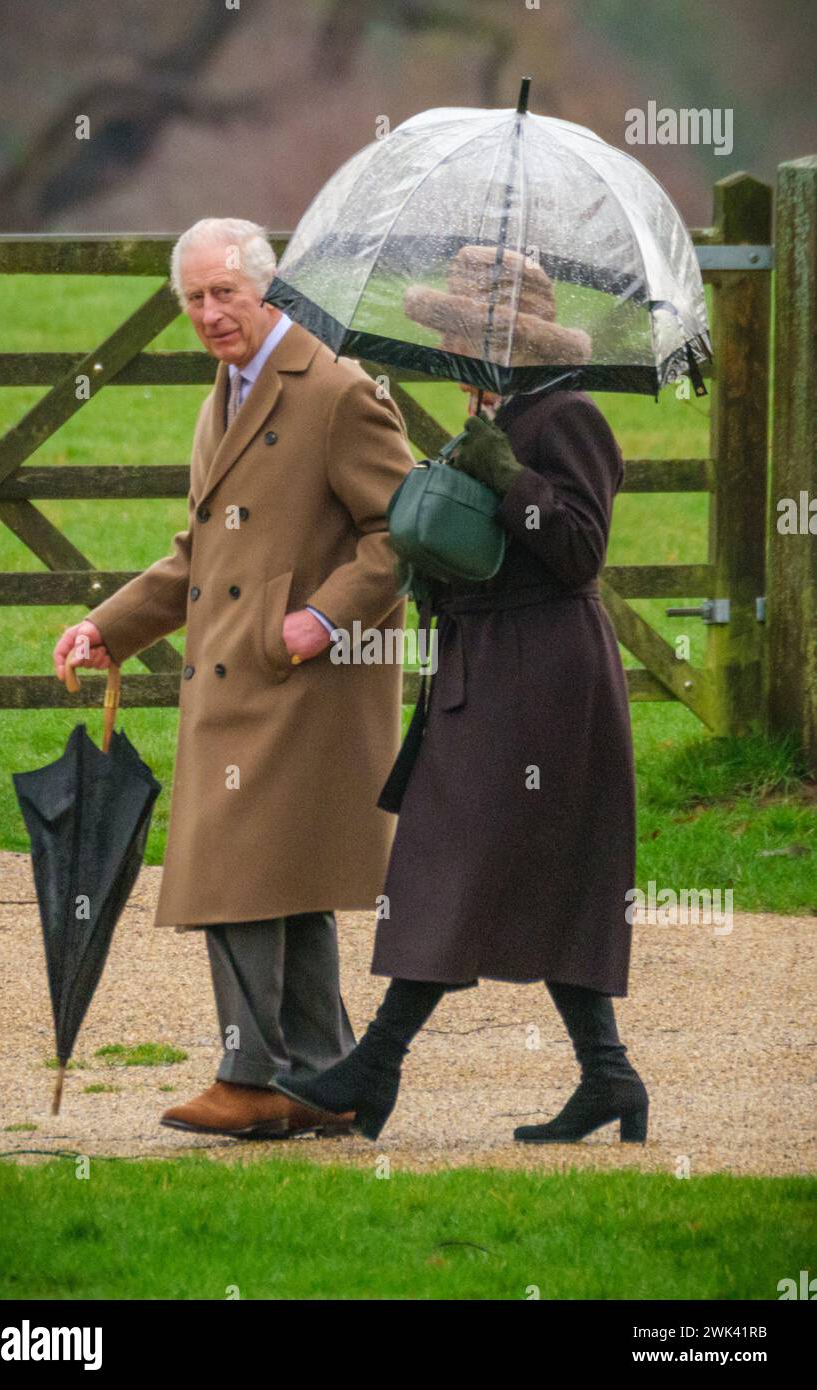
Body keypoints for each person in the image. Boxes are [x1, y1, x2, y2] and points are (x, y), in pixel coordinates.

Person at [273, 247, 648, 1145]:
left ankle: (375, 1067)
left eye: (461, 331)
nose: (446, 344)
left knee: (457, 857)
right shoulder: (492, 416)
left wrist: (505, 473)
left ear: (510, 339)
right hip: (482, 665)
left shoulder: (567, 416)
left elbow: (579, 553)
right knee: (494, 861)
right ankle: (609, 1076)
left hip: (549, 676)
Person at [53, 217, 414, 1140]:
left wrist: (324, 618)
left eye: (226, 294)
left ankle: (250, 1077)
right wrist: (108, 626)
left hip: (304, 680)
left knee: (239, 873)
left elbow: (398, 538)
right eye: (194, 299)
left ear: (269, 290)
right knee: (281, 877)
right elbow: (200, 556)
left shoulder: (334, 390)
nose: (211, 314)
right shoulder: (228, 387)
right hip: (241, 682)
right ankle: (326, 1080)